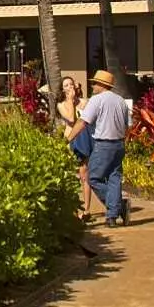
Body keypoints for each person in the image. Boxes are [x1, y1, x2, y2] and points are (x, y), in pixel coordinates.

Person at [66, 70, 132, 226]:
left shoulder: (97, 100)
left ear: (102, 85)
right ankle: (112, 217)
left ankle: (117, 206)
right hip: (119, 144)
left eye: (95, 83)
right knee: (114, 178)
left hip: (104, 144)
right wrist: (123, 140)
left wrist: (69, 138)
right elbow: (128, 126)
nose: (92, 86)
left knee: (93, 178)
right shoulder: (121, 101)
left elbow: (83, 122)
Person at [55, 76, 97, 219]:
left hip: (84, 141)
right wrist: (71, 102)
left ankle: (86, 210)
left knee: (85, 175)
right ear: (63, 89)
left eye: (71, 84)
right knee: (71, 176)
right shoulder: (61, 105)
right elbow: (72, 119)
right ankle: (72, 210)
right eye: (66, 85)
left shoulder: (84, 103)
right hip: (70, 142)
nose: (69, 87)